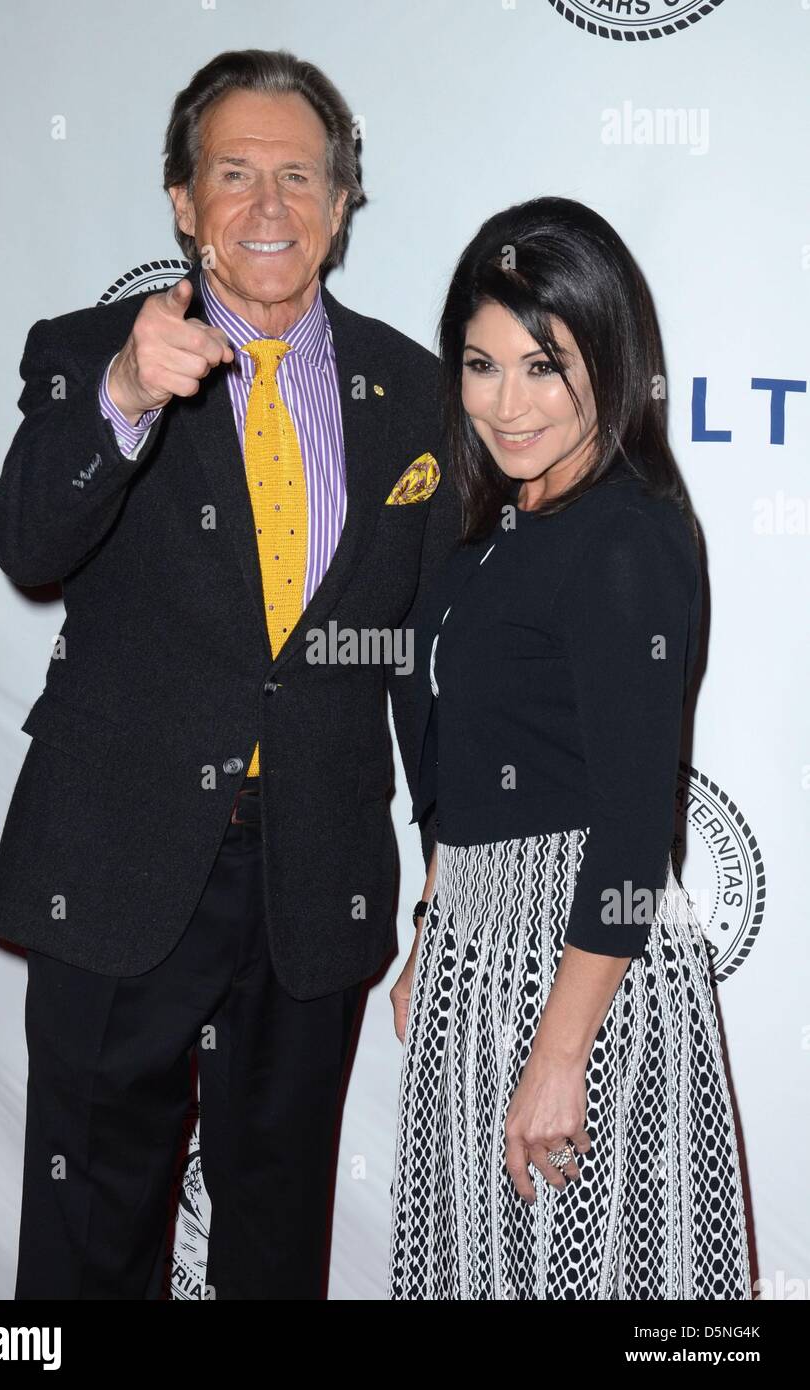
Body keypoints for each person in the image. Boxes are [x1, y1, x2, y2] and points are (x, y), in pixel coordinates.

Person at [0, 47, 459, 1300]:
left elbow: (418, 654)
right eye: (233, 173)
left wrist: (445, 882)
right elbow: (25, 543)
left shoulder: (414, 394)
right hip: (117, 860)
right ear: (182, 202)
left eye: (299, 175)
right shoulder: (88, 350)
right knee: (88, 1241)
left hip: (314, 869)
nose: (267, 206)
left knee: (273, 1240)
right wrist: (127, 395)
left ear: (342, 204)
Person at [387, 196, 751, 1300]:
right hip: (473, 960)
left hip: (583, 971)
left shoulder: (627, 534)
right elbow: (456, 753)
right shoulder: (485, 531)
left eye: (544, 365)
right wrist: (430, 927)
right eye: (481, 365)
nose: (509, 403)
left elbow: (637, 825)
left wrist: (560, 1052)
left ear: (609, 356)